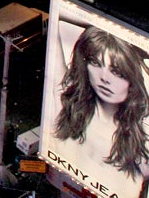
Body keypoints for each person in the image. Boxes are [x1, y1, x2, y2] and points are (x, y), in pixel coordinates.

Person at [51, 21, 149, 198]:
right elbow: (57, 12)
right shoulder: (67, 110)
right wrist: (109, 23)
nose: (104, 78)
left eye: (117, 71)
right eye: (96, 63)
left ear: (132, 80)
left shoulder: (138, 151)